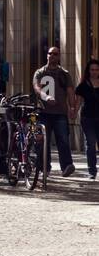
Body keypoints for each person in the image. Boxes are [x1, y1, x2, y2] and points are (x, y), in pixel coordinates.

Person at [32, 46, 77, 177]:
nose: (52, 56)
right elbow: (37, 88)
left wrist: (73, 108)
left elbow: (70, 92)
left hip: (60, 113)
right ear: (46, 56)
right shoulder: (40, 72)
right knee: (42, 140)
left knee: (63, 139)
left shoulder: (64, 73)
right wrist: (46, 97)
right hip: (43, 112)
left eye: (55, 54)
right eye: (50, 53)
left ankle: (67, 166)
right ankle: (44, 167)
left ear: (59, 56)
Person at [76, 59, 99, 180]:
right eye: (92, 70)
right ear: (88, 71)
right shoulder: (83, 85)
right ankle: (92, 171)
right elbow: (78, 102)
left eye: (96, 69)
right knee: (90, 144)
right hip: (87, 118)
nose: (94, 72)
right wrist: (73, 113)